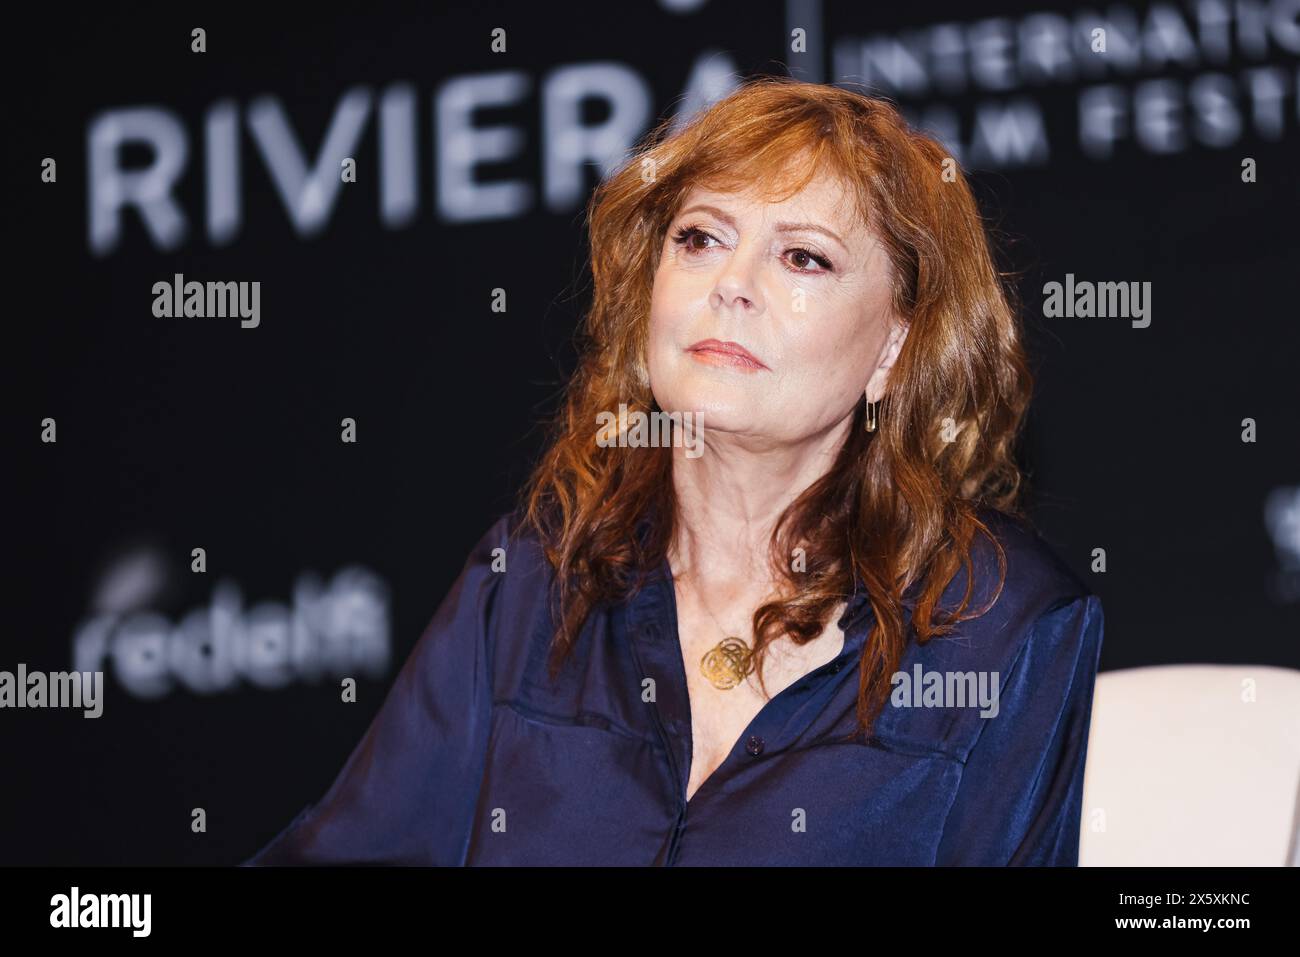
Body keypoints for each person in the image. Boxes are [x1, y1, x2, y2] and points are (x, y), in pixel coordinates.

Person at [242, 76, 1104, 866]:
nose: (731, 283)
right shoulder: (535, 579)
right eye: (699, 238)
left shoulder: (1005, 625)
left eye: (802, 257)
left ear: (893, 349)